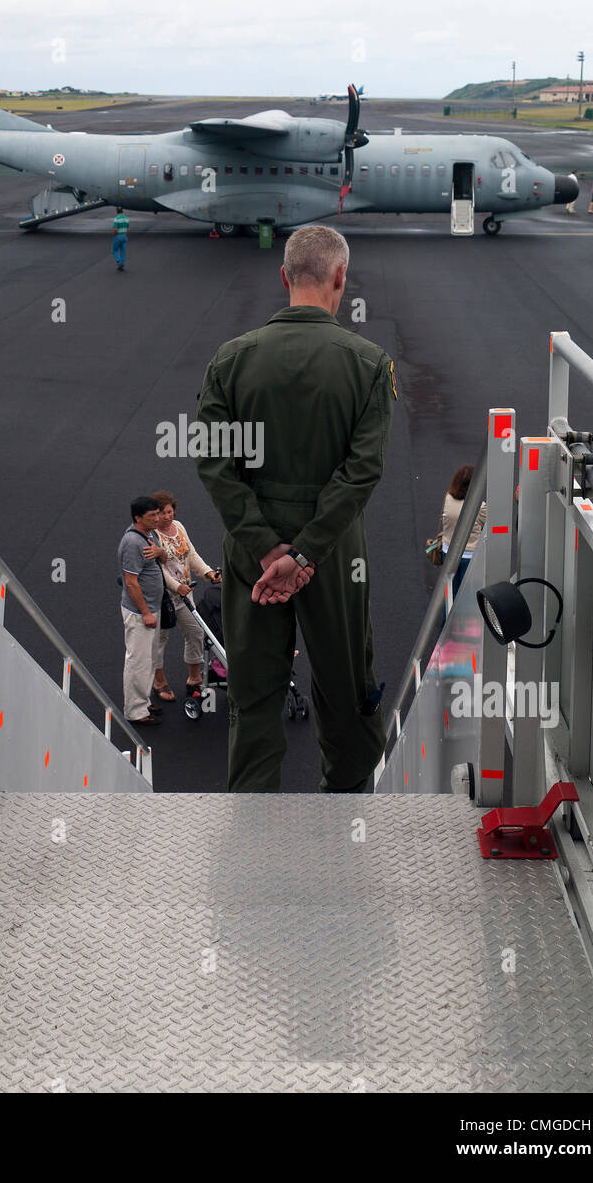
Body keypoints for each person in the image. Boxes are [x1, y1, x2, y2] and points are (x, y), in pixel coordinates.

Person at [195, 224, 396, 793]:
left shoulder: (230, 361)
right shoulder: (368, 364)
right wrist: (306, 552)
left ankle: (252, 825)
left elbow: (215, 466)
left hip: (250, 559)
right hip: (332, 556)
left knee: (253, 695)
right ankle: (349, 813)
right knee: (345, 689)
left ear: (284, 277)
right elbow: (362, 472)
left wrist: (265, 546)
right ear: (340, 277)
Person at [149, 490, 221, 708]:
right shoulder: (153, 537)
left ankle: (194, 679)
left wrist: (208, 573)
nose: (167, 516)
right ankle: (159, 681)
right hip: (163, 599)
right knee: (159, 641)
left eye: (170, 511)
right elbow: (157, 570)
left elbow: (191, 554)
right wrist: (176, 586)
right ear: (154, 515)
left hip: (185, 596)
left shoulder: (179, 527)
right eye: (161, 513)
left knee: (196, 634)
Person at [118, 497, 166, 726]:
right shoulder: (132, 543)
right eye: (152, 516)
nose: (157, 519)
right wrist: (146, 613)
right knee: (138, 660)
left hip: (151, 609)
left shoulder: (151, 535)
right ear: (138, 518)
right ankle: (135, 711)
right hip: (140, 614)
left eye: (158, 514)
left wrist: (159, 552)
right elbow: (131, 582)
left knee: (148, 659)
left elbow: (163, 559)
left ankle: (143, 701)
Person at [439, 464, 487, 602]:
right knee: (466, 596)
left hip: (448, 550)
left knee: (449, 593)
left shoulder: (448, 498)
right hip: (470, 555)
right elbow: (487, 525)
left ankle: (446, 623)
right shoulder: (480, 506)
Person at [112, 206, 129, 270]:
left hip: (118, 236)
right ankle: (122, 267)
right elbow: (128, 229)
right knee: (123, 252)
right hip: (124, 235)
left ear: (117, 211)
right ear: (122, 211)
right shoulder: (126, 218)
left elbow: (115, 229)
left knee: (114, 250)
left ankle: (119, 261)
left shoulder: (116, 218)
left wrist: (114, 235)